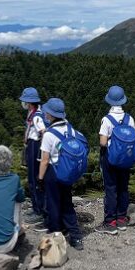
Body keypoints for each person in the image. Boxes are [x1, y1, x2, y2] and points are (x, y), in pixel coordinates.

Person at [38, 97, 84, 251]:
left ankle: (56, 234)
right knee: (67, 202)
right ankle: (76, 236)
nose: (45, 114)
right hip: (68, 170)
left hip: (53, 172)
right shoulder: (70, 129)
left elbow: (44, 161)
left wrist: (40, 178)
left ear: (50, 115)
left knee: (53, 204)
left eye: (47, 112)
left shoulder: (49, 134)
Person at [98, 85, 135, 234]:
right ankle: (121, 219)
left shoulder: (107, 120)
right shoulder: (129, 118)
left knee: (111, 189)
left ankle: (110, 222)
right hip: (126, 159)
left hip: (110, 158)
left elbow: (102, 142)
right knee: (123, 188)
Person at [19, 86, 46, 224]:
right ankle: (36, 206)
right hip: (32, 145)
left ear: (29, 103)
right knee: (32, 179)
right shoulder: (34, 113)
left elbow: (43, 131)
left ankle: (39, 211)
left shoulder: (36, 117)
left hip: (35, 146)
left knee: (34, 179)